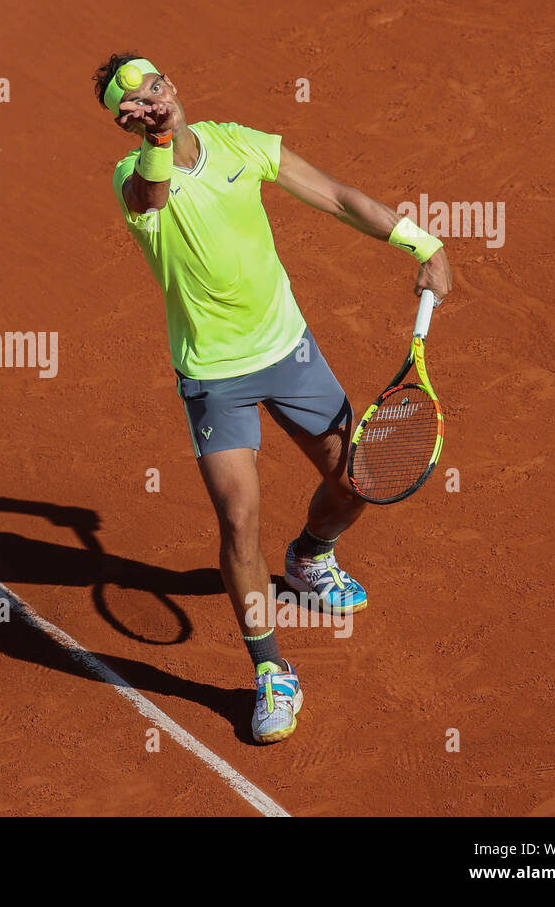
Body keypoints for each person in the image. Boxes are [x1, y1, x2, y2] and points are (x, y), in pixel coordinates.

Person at [94, 54, 453, 743]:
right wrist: (160, 142)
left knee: (356, 481)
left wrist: (421, 242)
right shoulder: (132, 179)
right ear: (129, 121)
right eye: (139, 99)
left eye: (158, 81)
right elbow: (153, 200)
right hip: (213, 375)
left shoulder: (240, 143)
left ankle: (310, 556)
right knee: (237, 522)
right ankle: (271, 671)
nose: (157, 95)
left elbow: (337, 196)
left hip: (289, 352)